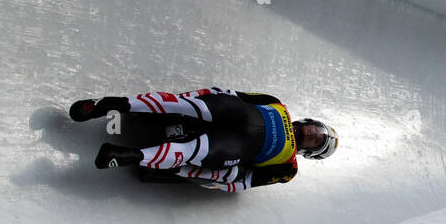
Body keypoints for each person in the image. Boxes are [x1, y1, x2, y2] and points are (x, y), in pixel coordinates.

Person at [69, 87, 337, 192]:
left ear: (309, 152)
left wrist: (215, 178)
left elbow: (245, 181)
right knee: (185, 106)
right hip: (230, 112)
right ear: (308, 121)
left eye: (317, 141)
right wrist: (191, 96)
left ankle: (127, 156)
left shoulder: (288, 169)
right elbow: (231, 92)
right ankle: (106, 105)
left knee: (194, 150)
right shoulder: (276, 103)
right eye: (316, 129)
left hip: (236, 146)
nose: (313, 134)